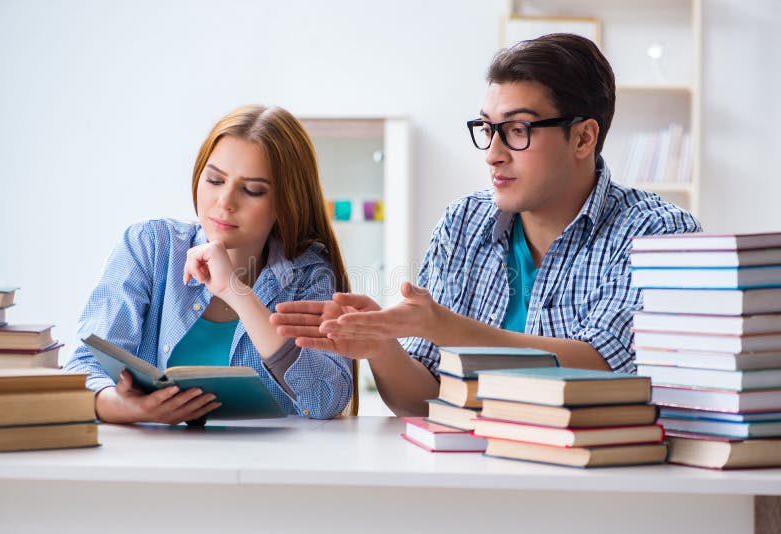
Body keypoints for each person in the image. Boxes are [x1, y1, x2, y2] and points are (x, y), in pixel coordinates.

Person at [271, 33, 701, 416]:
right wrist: (382, 347)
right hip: (473, 487)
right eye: (486, 129)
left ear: (584, 138)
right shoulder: (464, 222)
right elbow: (421, 399)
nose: (493, 152)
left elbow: (611, 369)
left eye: (517, 129)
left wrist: (446, 328)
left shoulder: (657, 234)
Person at [65, 105, 356, 424]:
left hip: (264, 468)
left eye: (252, 190)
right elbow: (84, 366)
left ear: (287, 201)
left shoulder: (307, 271)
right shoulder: (150, 246)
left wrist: (238, 293)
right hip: (154, 461)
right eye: (215, 180)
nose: (225, 202)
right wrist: (127, 409)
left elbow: (326, 399)